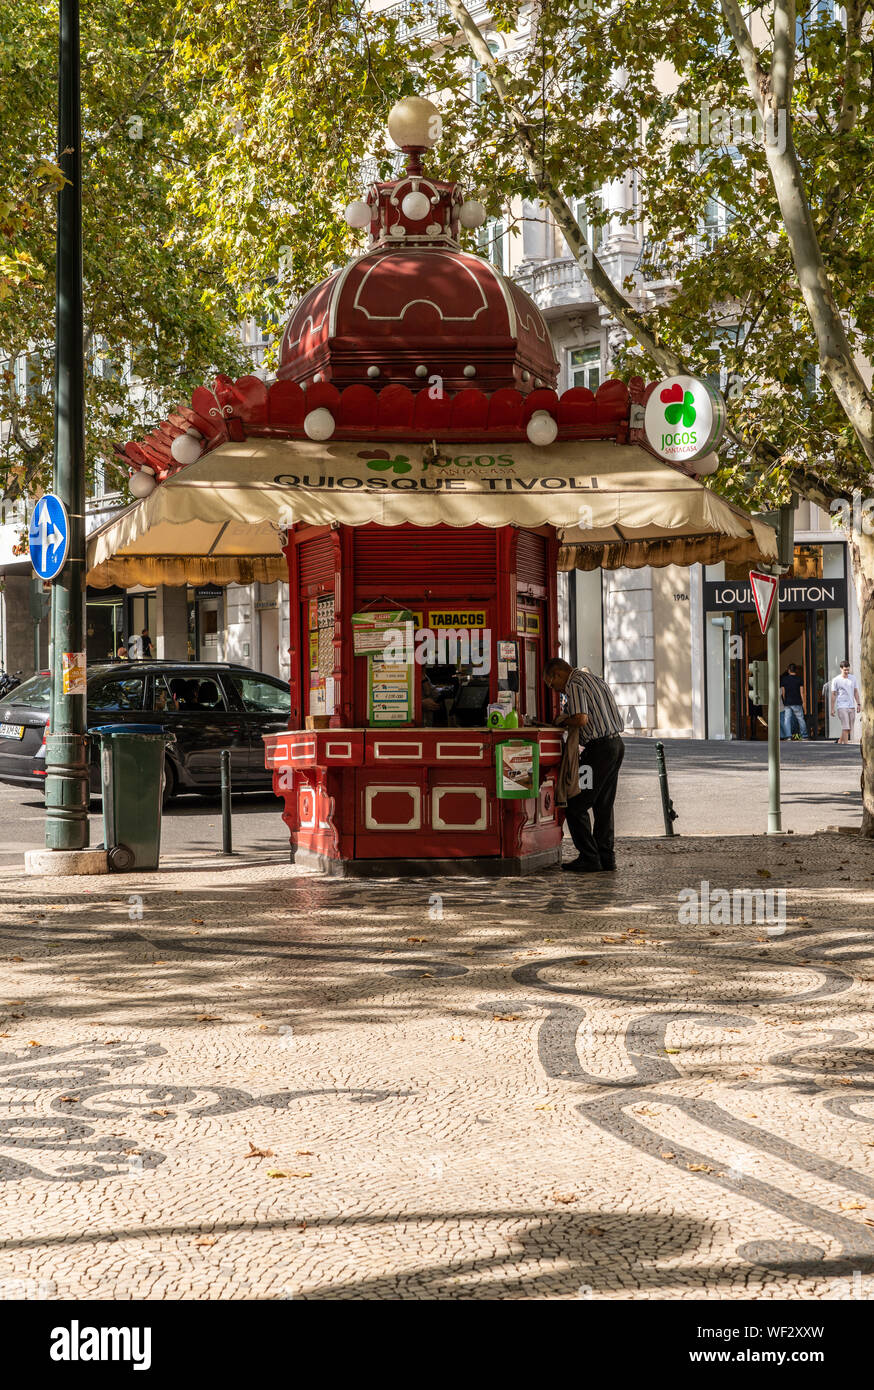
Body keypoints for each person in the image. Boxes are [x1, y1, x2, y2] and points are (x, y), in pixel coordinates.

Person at [543, 656, 625, 874]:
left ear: (558, 674)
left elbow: (580, 719)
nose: (555, 690)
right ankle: (606, 858)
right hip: (616, 745)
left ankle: (589, 857)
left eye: (552, 684)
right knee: (603, 806)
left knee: (575, 805)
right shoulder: (594, 679)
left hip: (599, 751)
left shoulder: (574, 683)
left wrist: (561, 721)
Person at [831, 659, 861, 744]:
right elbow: (833, 694)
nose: (847, 671)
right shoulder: (836, 680)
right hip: (841, 706)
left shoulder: (853, 678)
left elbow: (855, 691)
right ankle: (846, 745)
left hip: (851, 706)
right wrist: (832, 708)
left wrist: (858, 704)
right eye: (845, 670)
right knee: (846, 727)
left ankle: (840, 741)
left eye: (848, 669)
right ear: (841, 669)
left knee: (849, 729)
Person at [780, 662, 808, 740]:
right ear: (795, 670)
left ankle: (788, 736)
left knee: (787, 720)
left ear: (789, 670)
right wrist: (803, 702)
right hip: (797, 702)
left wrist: (785, 701)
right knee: (800, 719)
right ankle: (804, 735)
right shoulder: (799, 679)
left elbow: (783, 692)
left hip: (788, 703)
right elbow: (801, 692)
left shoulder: (784, 679)